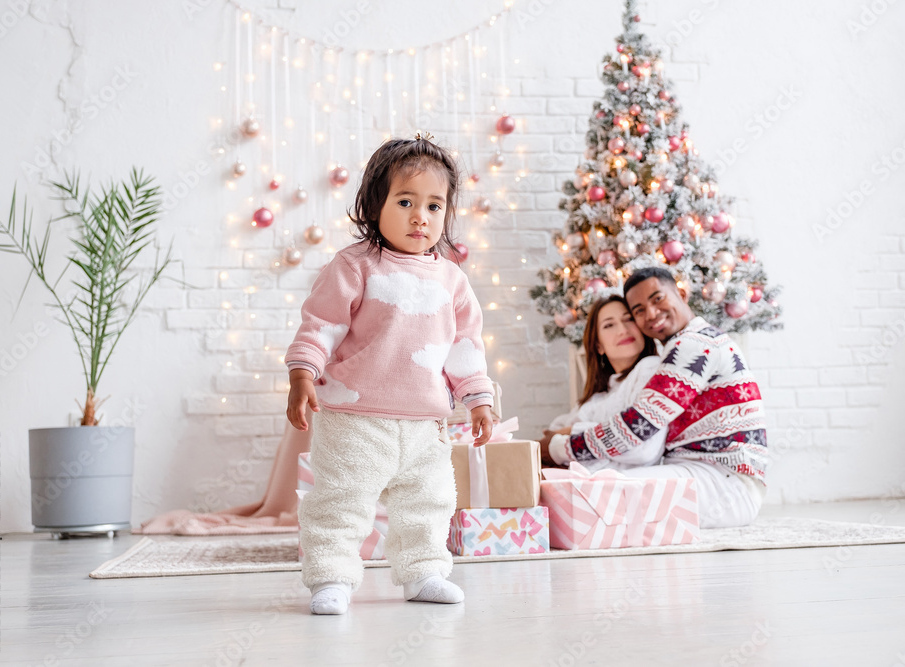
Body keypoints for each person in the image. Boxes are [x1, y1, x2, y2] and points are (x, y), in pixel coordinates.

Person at [284, 135, 494, 615]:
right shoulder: (354, 266)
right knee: (341, 501)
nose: (421, 216)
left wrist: (478, 399)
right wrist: (302, 374)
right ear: (374, 204)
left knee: (428, 502)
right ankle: (331, 577)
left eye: (434, 206)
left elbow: (465, 348)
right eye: (405, 202)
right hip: (355, 419)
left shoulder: (452, 280)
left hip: (425, 425)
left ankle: (423, 571)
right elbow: (321, 326)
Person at [543, 267, 768, 529]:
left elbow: (637, 427)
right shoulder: (687, 343)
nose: (651, 314)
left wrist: (556, 448)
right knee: (588, 492)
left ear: (681, 293)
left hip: (723, 484)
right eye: (639, 310)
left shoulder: (695, 345)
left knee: (588, 495)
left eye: (657, 299)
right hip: (706, 476)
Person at [542, 295, 665, 468]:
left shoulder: (650, 368)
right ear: (598, 345)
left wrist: (570, 432)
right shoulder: (599, 396)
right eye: (609, 325)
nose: (623, 330)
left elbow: (643, 447)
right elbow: (551, 433)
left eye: (629, 319)